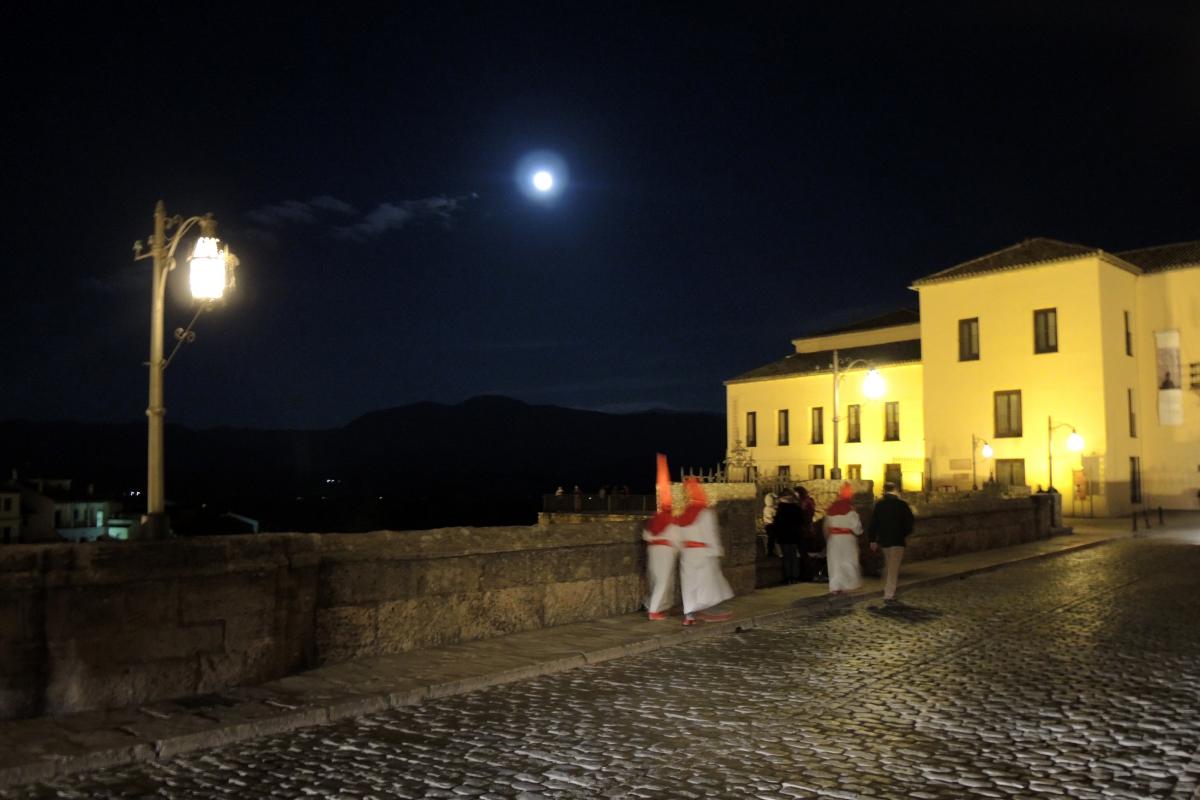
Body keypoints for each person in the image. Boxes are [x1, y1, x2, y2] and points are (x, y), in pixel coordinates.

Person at [676, 477, 733, 625]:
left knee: (689, 585)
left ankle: (689, 616)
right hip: (703, 552)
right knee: (708, 583)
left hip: (687, 553)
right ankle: (707, 611)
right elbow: (710, 534)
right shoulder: (705, 513)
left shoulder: (683, 514)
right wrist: (717, 550)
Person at [643, 454, 680, 620]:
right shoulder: (669, 519)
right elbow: (676, 538)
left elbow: (646, 535)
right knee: (663, 581)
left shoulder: (654, 519)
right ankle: (654, 610)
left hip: (653, 550)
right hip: (664, 552)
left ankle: (654, 605)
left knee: (656, 580)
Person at [867, 481, 914, 604]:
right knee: (893, 568)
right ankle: (888, 593)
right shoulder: (902, 505)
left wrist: (872, 539)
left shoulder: (879, 505)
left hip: (884, 540)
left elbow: (873, 523)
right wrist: (903, 534)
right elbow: (909, 523)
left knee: (889, 564)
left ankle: (886, 588)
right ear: (896, 490)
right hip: (897, 540)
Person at [823, 482, 863, 595]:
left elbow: (826, 526)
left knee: (835, 563)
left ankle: (835, 586)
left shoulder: (831, 509)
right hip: (847, 540)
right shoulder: (850, 510)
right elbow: (856, 527)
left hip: (834, 540)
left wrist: (828, 539)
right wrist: (859, 532)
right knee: (848, 561)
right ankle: (849, 585)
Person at [772, 489, 805, 584]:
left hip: (784, 535)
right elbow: (801, 521)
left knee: (786, 556)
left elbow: (777, 523)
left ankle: (788, 577)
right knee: (793, 555)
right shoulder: (796, 508)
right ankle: (794, 576)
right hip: (794, 535)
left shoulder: (781, 509)